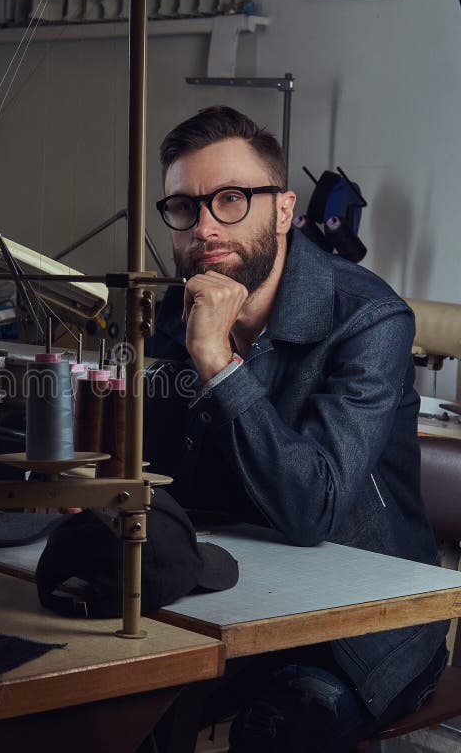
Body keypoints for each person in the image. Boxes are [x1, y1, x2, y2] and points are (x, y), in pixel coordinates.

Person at [145, 106, 449, 752]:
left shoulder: (370, 319)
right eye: (184, 206)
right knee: (112, 704)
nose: (204, 227)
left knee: (276, 730)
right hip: (233, 595)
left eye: (231, 199)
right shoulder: (180, 307)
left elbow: (313, 506)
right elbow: (157, 470)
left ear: (284, 211)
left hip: (363, 628)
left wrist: (218, 362)